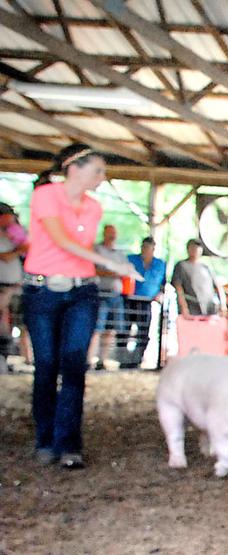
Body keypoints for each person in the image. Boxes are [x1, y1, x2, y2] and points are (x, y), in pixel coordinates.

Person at [21, 144, 142, 469]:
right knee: (46, 366)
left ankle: (69, 444)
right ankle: (45, 440)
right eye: (98, 170)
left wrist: (103, 265)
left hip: (82, 292)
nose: (102, 177)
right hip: (43, 290)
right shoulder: (46, 195)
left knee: (74, 366)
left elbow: (78, 248)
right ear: (75, 168)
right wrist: (111, 264)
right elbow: (61, 240)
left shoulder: (93, 207)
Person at [120, 236, 166, 369]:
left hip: (147, 301)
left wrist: (160, 294)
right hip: (130, 299)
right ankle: (123, 358)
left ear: (153, 249)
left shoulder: (160, 264)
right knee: (125, 330)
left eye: (148, 247)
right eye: (144, 247)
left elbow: (163, 283)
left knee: (143, 333)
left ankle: (136, 359)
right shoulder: (131, 260)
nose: (145, 250)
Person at [89, 224, 126, 370]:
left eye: (114, 233)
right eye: (109, 232)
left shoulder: (120, 253)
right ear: (104, 234)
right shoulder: (97, 250)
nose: (112, 235)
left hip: (116, 294)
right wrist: (111, 272)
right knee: (97, 328)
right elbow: (93, 269)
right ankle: (89, 359)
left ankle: (102, 360)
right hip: (100, 293)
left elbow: (126, 270)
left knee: (110, 329)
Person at [0, 202, 29, 373]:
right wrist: (18, 250)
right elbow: (5, 257)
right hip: (2, 288)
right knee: (3, 325)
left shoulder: (14, 236)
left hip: (16, 287)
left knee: (18, 324)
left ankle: (15, 359)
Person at [171, 238, 222, 316]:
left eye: (198, 248)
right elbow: (178, 288)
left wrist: (222, 304)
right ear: (188, 249)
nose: (196, 250)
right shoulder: (181, 265)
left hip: (209, 307)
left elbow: (217, 287)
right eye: (193, 248)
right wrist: (183, 307)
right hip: (191, 306)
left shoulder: (206, 267)